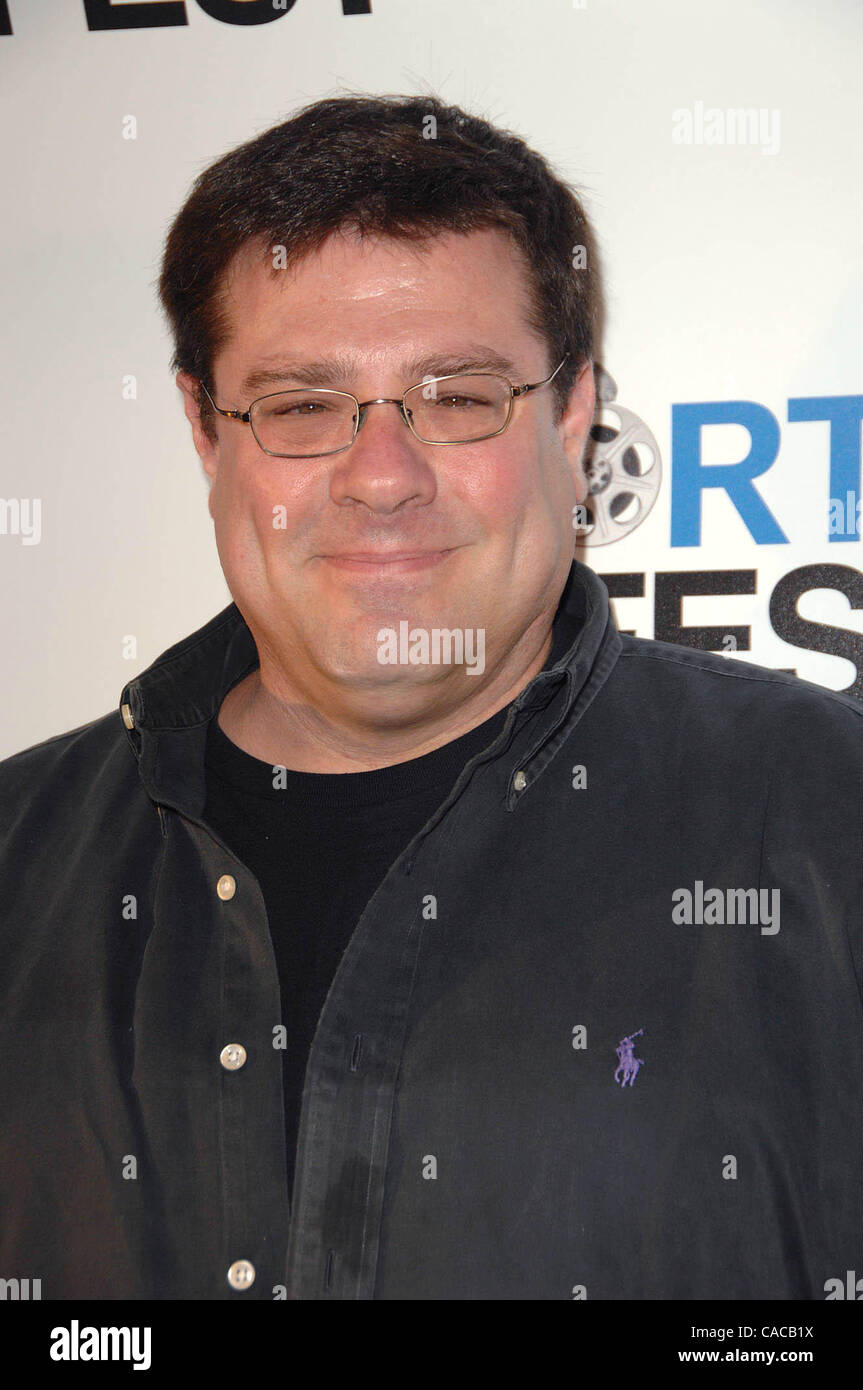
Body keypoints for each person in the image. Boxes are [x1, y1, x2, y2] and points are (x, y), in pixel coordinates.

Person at [1, 93, 861, 1302]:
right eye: (301, 406)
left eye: (457, 397)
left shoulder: (828, 824)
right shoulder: (15, 860)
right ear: (206, 433)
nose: (382, 478)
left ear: (572, 414)